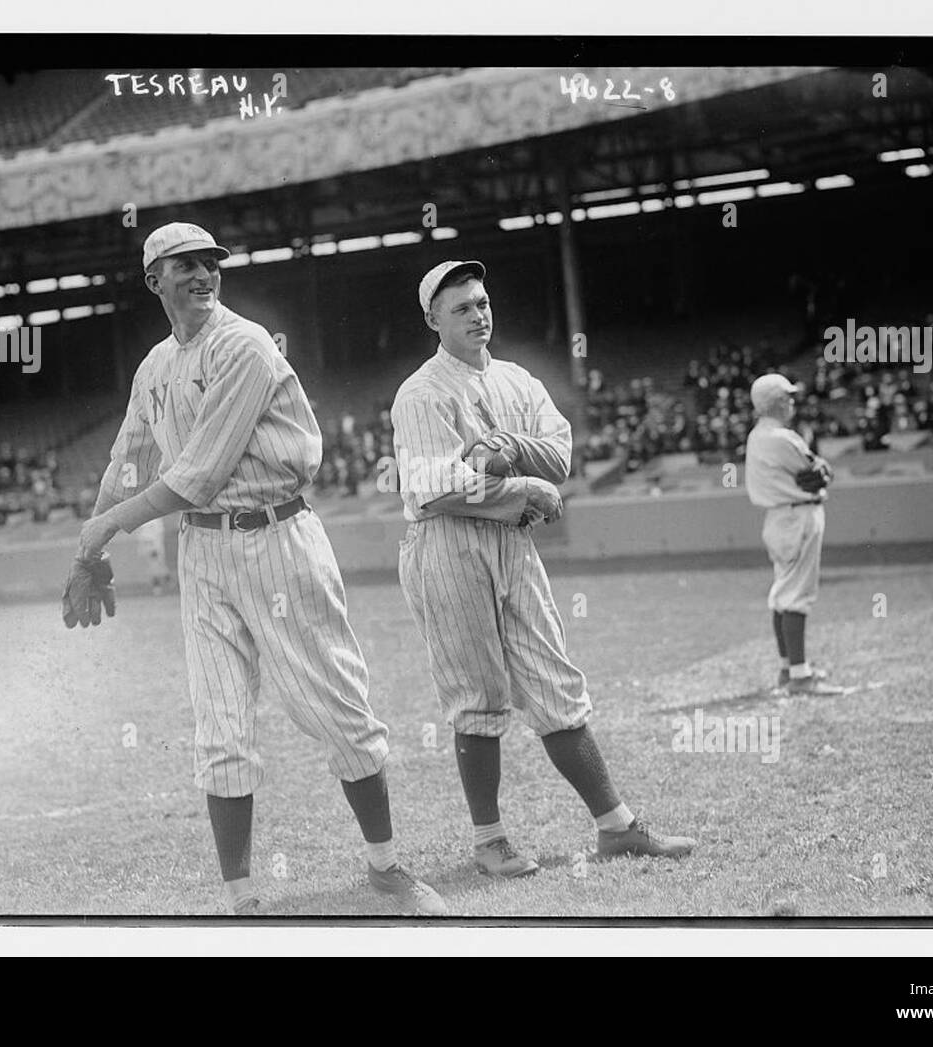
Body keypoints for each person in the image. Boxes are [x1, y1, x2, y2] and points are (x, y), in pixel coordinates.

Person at [67, 221, 445, 916]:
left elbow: (198, 476)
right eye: (185, 265)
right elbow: (129, 461)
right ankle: (242, 898)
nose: (204, 274)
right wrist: (89, 550)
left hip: (277, 536)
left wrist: (108, 526)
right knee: (220, 724)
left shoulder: (244, 344)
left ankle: (387, 865)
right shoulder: (154, 366)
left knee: (336, 708)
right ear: (154, 279)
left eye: (212, 263)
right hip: (202, 552)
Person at [391, 260, 696, 880]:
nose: (478, 314)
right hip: (447, 545)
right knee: (477, 695)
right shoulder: (421, 393)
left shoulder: (519, 381)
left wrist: (507, 454)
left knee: (556, 683)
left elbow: (560, 453)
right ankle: (490, 839)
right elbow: (432, 489)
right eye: (461, 308)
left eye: (481, 302)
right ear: (433, 321)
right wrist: (522, 486)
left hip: (511, 544)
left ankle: (616, 827)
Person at [743, 374, 842, 695]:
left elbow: (813, 470)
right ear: (776, 402)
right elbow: (816, 472)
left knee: (782, 593)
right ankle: (800, 676)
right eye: (787, 397)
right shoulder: (779, 436)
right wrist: (824, 470)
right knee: (796, 595)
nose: (792, 402)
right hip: (796, 516)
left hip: (779, 518)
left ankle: (789, 670)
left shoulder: (759, 435)